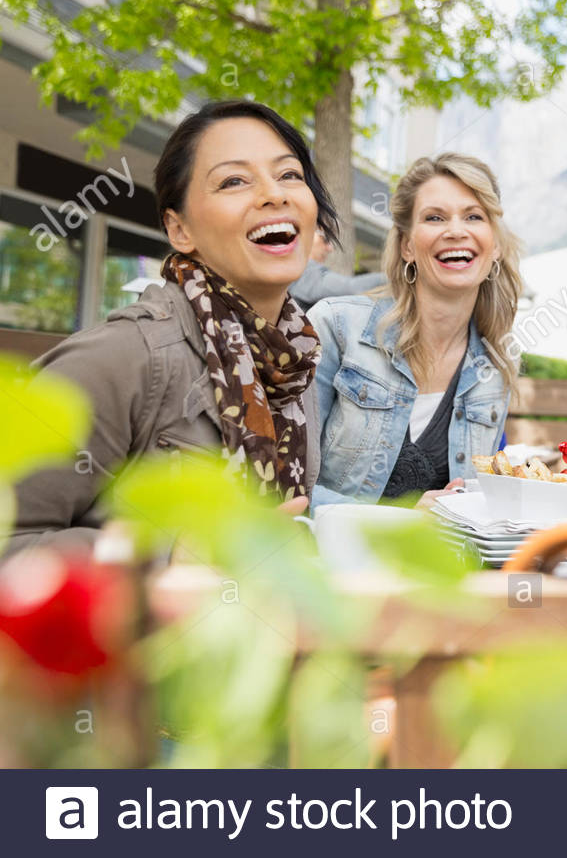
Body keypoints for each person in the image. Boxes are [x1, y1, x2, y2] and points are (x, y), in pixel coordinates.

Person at [11, 100, 335, 549]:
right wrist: (160, 562)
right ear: (179, 229)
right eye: (234, 181)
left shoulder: (291, 360)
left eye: (289, 175)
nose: (274, 194)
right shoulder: (121, 357)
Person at [309, 153, 521, 508]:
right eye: (435, 217)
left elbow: (479, 508)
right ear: (407, 245)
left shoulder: (494, 371)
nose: (456, 230)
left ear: (495, 245)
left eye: (474, 216)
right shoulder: (336, 327)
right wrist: (401, 519)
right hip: (332, 559)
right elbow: (287, 486)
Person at [288, 232, 385, 307]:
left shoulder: (293, 270)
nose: (330, 248)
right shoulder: (306, 271)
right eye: (325, 239)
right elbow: (352, 287)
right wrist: (394, 277)